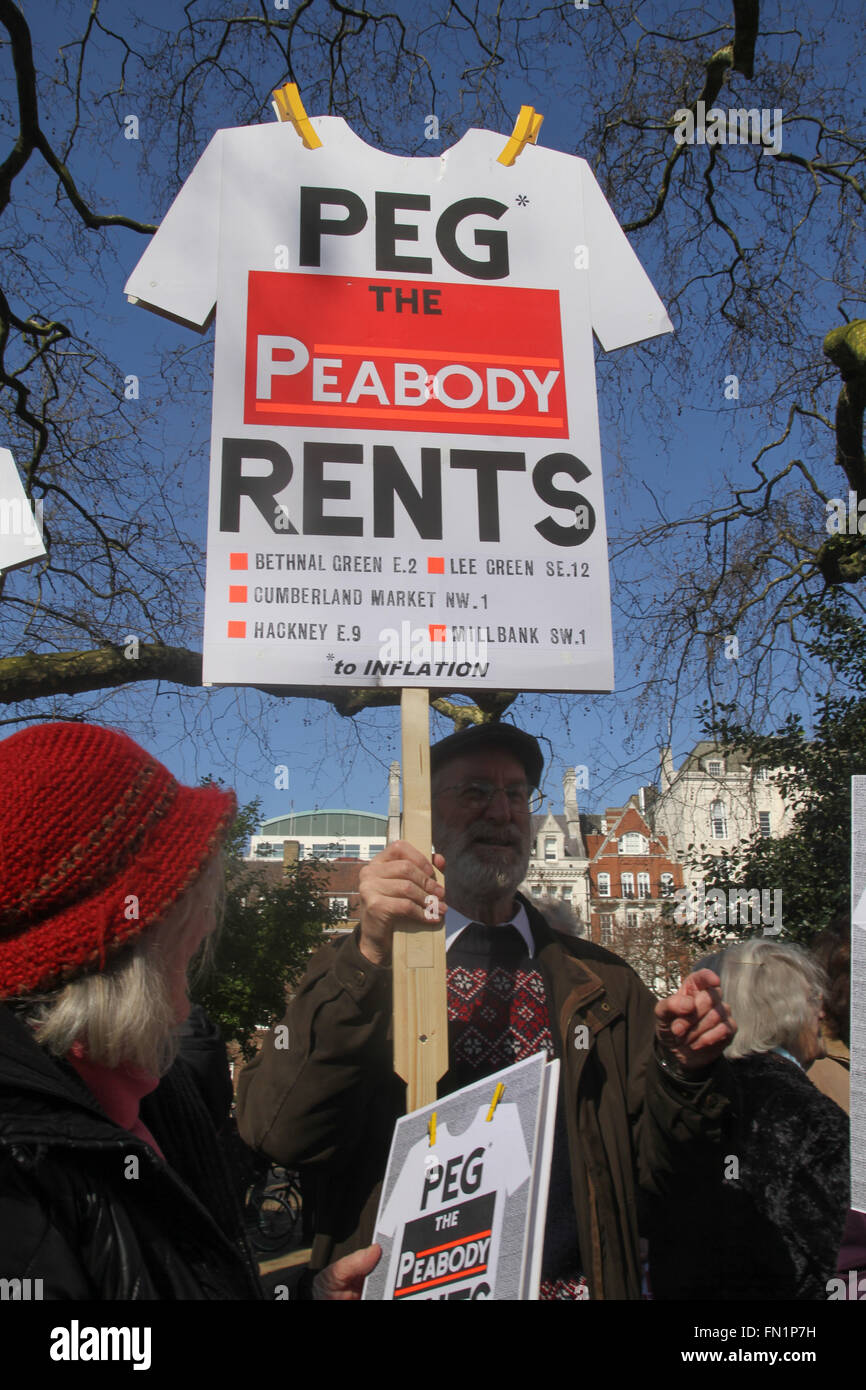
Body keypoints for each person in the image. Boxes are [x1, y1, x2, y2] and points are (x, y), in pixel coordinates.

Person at [237, 722, 737, 1299]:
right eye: (475, 791)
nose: (501, 812)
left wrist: (685, 1072)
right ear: (425, 822)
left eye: (516, 794)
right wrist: (369, 956)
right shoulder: (363, 970)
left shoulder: (606, 984)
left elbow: (666, 1178)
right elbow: (279, 1132)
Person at [0, 721, 377, 1300]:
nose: (206, 928)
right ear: (133, 944)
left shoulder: (152, 1094)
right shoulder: (21, 1177)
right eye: (189, 902)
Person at [650, 938, 850, 1300]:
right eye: (811, 1000)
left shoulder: (688, 1103)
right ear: (778, 1010)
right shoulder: (804, 1113)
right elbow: (844, 1250)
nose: (822, 1013)